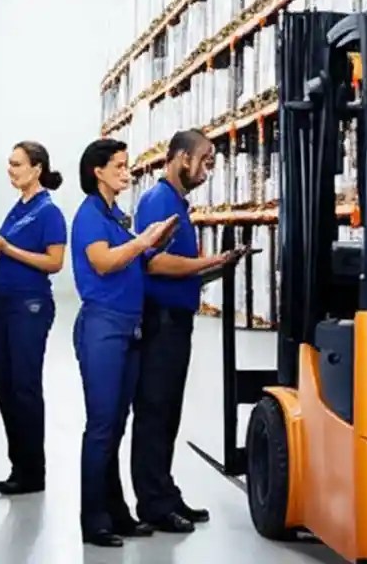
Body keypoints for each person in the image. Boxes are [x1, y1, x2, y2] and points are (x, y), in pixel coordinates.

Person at [131, 130, 242, 532]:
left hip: (176, 321)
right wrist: (208, 261)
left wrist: (221, 264)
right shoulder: (158, 201)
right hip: (160, 321)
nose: (208, 169)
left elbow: (183, 268)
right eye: (205, 160)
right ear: (181, 158)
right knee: (154, 411)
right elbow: (154, 263)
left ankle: (165, 491)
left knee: (168, 413)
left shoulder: (178, 203)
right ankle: (154, 504)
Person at [69, 138, 178, 548]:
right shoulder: (89, 216)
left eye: (126, 164)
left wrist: (153, 242)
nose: (125, 171)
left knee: (116, 424)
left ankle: (117, 512)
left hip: (129, 327)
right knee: (100, 425)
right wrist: (142, 242)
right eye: (118, 165)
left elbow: (129, 257)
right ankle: (93, 519)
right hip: (103, 327)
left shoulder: (115, 216)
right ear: (97, 171)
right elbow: (102, 261)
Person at [0, 142, 67, 496]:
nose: (11, 170)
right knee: (5, 385)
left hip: (30, 307)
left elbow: (53, 262)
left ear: (37, 169)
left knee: (24, 387)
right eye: (9, 164)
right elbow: (10, 261)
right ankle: (18, 465)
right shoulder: (18, 208)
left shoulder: (48, 211)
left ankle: (33, 471)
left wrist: (7, 248)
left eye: (17, 164)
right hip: (4, 303)